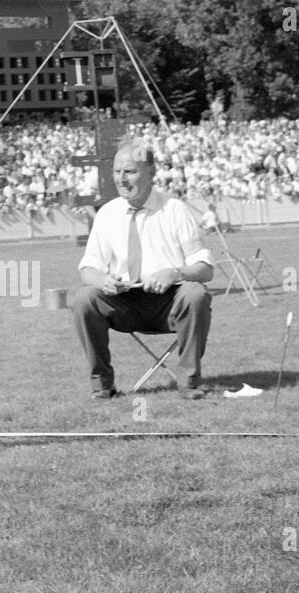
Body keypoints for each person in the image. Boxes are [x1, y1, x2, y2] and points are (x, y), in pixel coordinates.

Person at [73, 141, 214, 399]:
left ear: (150, 172)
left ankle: (190, 383)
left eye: (130, 172)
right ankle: (101, 385)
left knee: (195, 294)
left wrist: (175, 273)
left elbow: (205, 270)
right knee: (84, 298)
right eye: (117, 172)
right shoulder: (107, 214)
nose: (121, 180)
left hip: (169, 303)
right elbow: (86, 270)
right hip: (123, 303)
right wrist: (102, 279)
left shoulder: (175, 210)